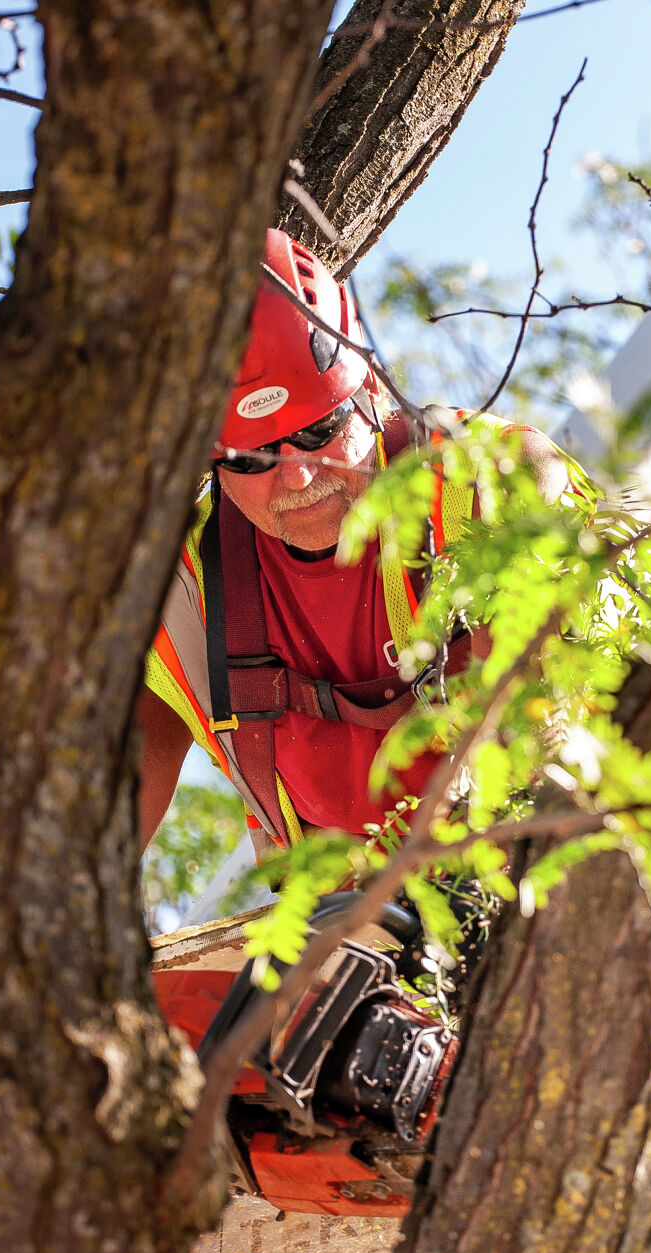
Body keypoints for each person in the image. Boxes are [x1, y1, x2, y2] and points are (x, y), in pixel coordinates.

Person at [137, 230, 574, 856]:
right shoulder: (184, 598)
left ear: (369, 390)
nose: (297, 477)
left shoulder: (487, 479)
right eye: (252, 457)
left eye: (319, 430)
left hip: (548, 852)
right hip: (342, 909)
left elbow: (537, 705)